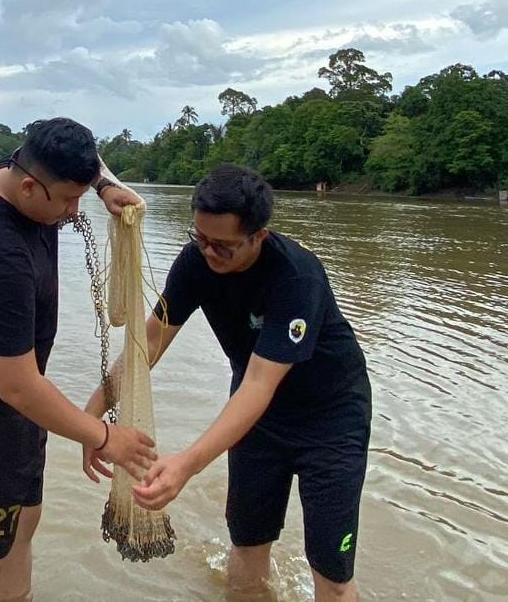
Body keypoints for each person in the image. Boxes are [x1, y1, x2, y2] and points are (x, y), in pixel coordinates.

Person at [83, 163, 372, 602]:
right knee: (248, 545)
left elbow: (260, 383)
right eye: (200, 238)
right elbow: (151, 341)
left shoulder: (297, 278)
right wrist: (92, 415)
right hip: (257, 423)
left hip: (330, 422)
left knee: (331, 572)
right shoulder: (196, 262)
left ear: (259, 235)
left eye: (223, 246)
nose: (209, 253)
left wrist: (188, 463)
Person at [0, 117, 156, 602]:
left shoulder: (24, 169)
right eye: (67, 201)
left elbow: (75, 143)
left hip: (17, 410)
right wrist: (104, 436)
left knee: (23, 526)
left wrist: (103, 186)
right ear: (30, 186)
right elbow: (17, 385)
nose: (74, 212)